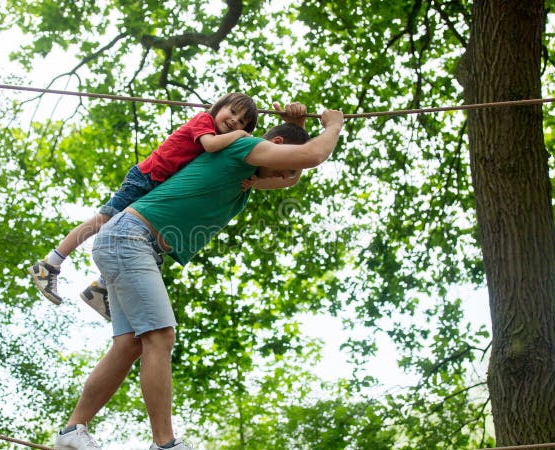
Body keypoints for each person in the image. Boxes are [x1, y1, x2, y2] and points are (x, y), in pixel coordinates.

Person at [52, 103, 344, 450]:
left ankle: (72, 432)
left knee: (130, 344)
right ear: (275, 144)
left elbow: (295, 169)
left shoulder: (244, 179)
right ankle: (165, 444)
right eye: (285, 167)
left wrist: (295, 130)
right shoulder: (242, 147)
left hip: (127, 241)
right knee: (160, 336)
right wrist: (333, 127)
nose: (287, 177)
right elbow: (311, 156)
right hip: (130, 238)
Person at [29, 93, 259, 319]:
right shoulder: (204, 121)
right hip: (146, 178)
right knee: (102, 221)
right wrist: (240, 134)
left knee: (133, 235)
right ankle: (50, 264)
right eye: (233, 112)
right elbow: (209, 145)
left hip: (158, 188)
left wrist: (252, 180)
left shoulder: (223, 141)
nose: (234, 121)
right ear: (219, 107)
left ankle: (99, 288)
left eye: (242, 122)